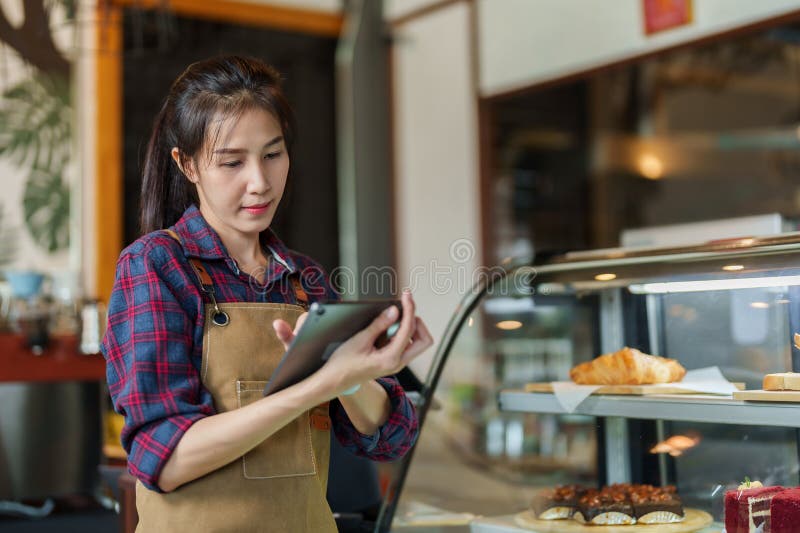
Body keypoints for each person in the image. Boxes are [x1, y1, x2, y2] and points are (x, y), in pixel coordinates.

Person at [101, 55, 433, 532]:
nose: (260, 182)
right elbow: (164, 458)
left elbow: (390, 439)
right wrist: (318, 386)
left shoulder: (306, 279)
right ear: (187, 163)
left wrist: (361, 377)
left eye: (273, 154)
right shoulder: (156, 266)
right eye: (232, 162)